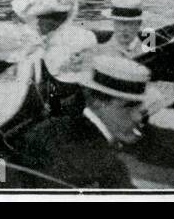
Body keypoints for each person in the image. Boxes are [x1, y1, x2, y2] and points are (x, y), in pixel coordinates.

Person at [17, 54, 154, 189]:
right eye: (128, 106)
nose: (137, 117)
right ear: (97, 102)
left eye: (140, 108)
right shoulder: (104, 164)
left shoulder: (51, 127)